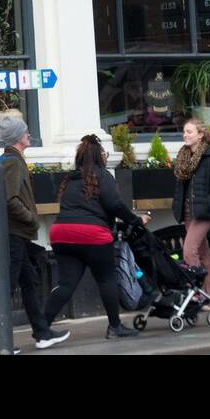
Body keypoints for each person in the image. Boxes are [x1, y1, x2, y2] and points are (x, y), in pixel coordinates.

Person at [43, 134, 151, 339]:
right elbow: (115, 205)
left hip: (60, 232)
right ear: (100, 156)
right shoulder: (102, 175)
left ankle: (42, 328)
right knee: (106, 280)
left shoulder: (70, 179)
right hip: (91, 234)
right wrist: (136, 220)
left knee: (66, 284)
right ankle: (115, 327)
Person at [0, 115, 69, 348]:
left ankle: (42, 333)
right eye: (25, 131)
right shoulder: (12, 162)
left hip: (18, 234)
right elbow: (10, 199)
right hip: (15, 233)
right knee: (8, 288)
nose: (29, 134)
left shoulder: (14, 159)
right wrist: (30, 218)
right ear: (18, 136)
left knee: (29, 282)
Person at [172, 117, 210, 303]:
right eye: (184, 132)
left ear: (200, 135)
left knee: (189, 251)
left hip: (203, 212)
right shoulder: (183, 157)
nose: (185, 135)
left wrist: (208, 203)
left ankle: (199, 295)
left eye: (189, 132)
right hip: (187, 211)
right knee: (204, 255)